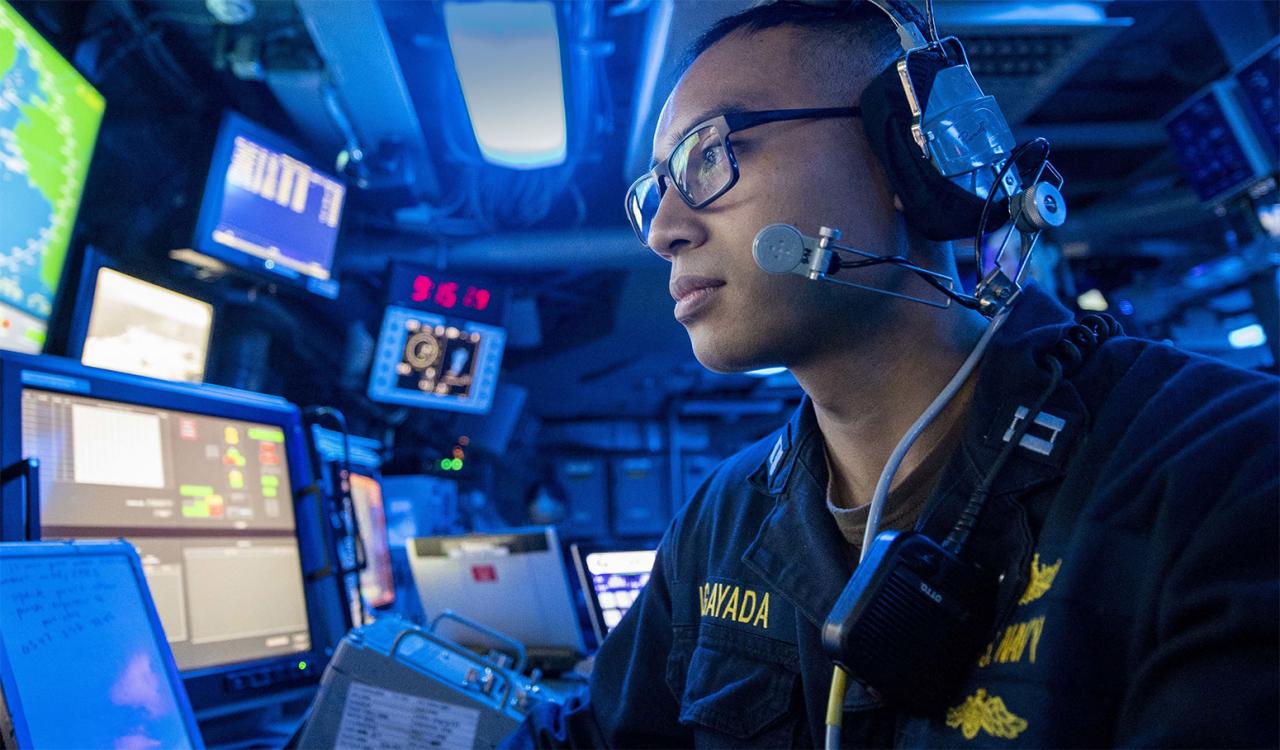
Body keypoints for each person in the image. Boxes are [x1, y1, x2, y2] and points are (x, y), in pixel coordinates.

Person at [508, 1, 1280, 747]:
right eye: (656, 194)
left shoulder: (1222, 467)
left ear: (911, 156)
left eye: (709, 154)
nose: (666, 232)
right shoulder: (722, 519)